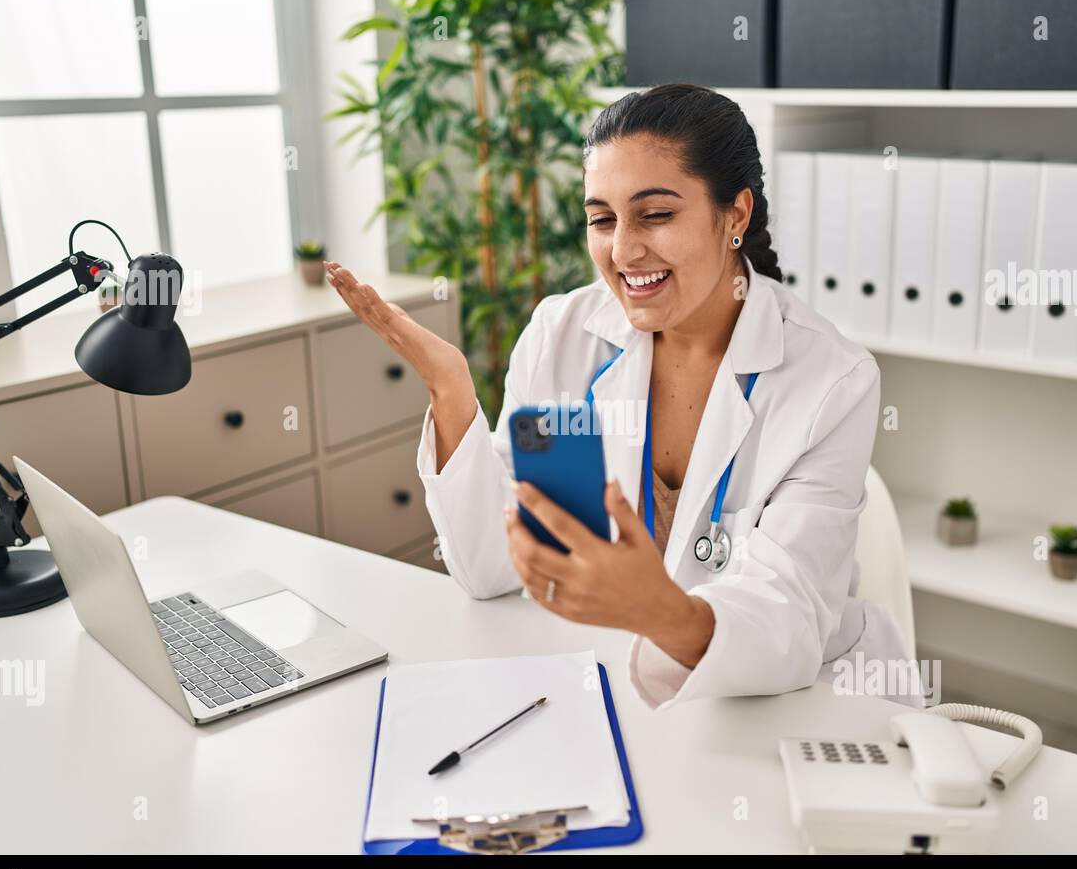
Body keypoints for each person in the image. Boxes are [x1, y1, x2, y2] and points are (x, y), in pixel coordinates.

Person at [325, 82, 919, 710]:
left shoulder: (832, 379)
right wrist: (449, 391)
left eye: (656, 214)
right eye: (602, 219)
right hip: (616, 682)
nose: (624, 250)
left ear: (736, 215)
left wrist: (658, 609)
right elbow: (491, 570)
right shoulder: (563, 337)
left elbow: (790, 622)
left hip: (794, 705)